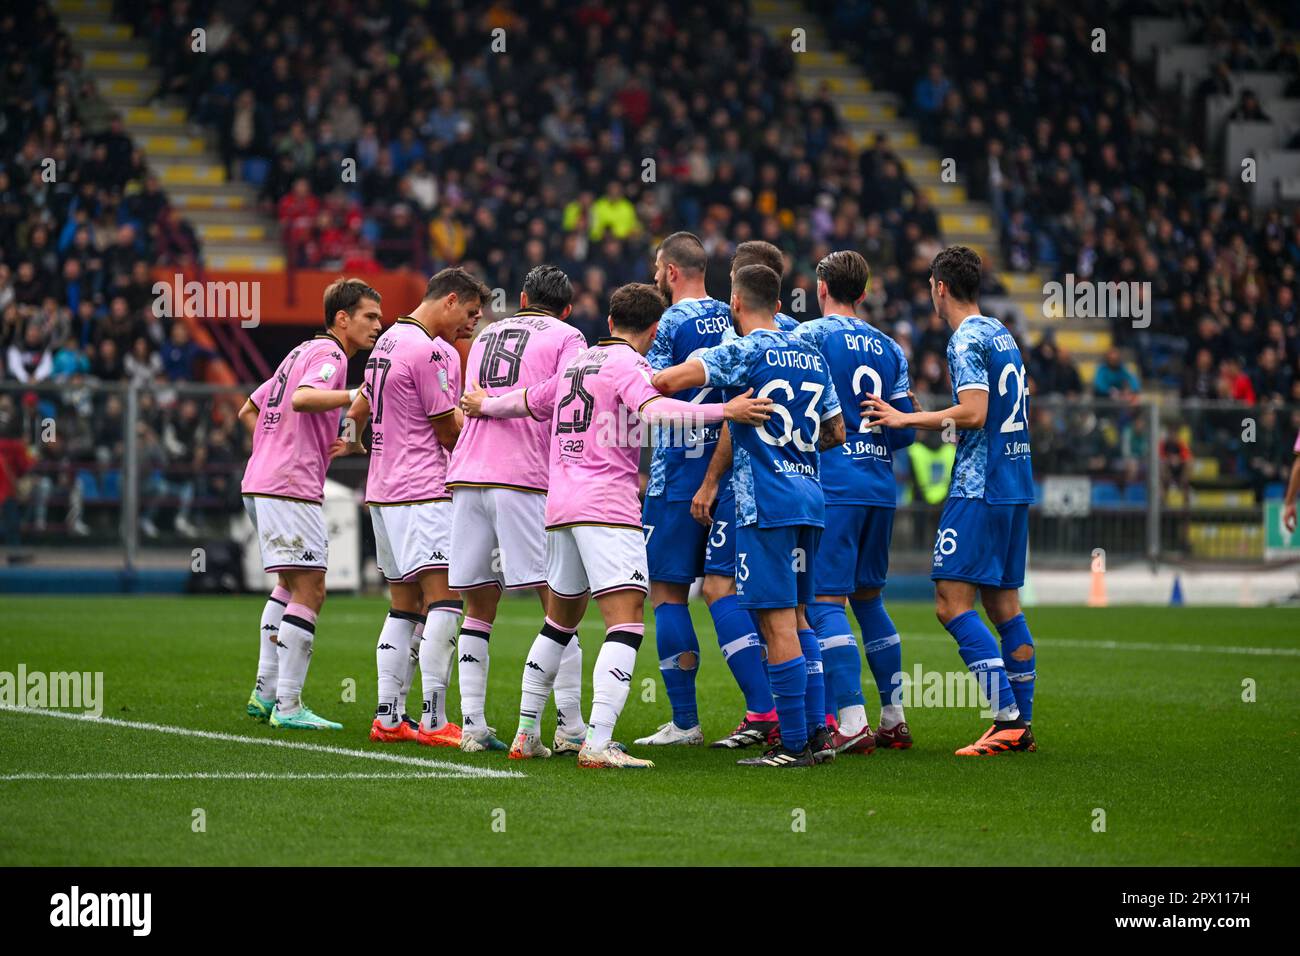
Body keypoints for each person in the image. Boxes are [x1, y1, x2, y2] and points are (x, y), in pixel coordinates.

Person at [460, 282, 772, 768]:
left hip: (559, 506)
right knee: (625, 623)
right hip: (606, 507)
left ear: (608, 322)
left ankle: (526, 733)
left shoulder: (575, 363)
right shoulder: (632, 365)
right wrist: (722, 410)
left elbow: (528, 400)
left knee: (558, 623)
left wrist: (485, 404)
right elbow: (656, 411)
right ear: (652, 330)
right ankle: (599, 743)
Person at [653, 264, 846, 767]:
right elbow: (837, 433)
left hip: (767, 503)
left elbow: (671, 379)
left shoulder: (746, 350)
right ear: (779, 304)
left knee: (773, 617)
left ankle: (793, 743)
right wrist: (795, 444)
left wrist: (657, 379)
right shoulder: (810, 353)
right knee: (802, 617)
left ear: (735, 304)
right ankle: (820, 734)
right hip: (811, 498)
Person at [864, 246, 1037, 756]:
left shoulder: (964, 339)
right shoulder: (1003, 333)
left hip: (979, 487)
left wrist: (906, 420)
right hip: (1014, 482)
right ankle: (1021, 723)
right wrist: (937, 413)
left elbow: (976, 413)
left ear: (939, 287)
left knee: (950, 603)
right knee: (1004, 604)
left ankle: (1006, 719)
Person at [339, 267, 487, 747]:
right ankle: (433, 718)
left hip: (383, 492)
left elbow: (360, 403)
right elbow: (447, 429)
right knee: (446, 598)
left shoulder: (386, 342)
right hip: (423, 490)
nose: (472, 324)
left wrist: (355, 437)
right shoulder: (432, 350)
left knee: (403, 605)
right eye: (469, 313)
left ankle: (388, 716)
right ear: (448, 301)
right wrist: (489, 435)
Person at [445, 264, 589, 753]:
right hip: (523, 476)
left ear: (523, 296)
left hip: (467, 472)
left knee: (478, 606)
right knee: (560, 601)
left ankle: (472, 725)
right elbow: (564, 398)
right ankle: (569, 726)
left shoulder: (484, 333)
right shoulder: (570, 336)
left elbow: (470, 400)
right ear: (566, 307)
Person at [238, 278, 381, 730]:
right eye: (370, 317)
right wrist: (355, 396)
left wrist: (275, 448)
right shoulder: (331, 356)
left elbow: (249, 409)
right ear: (343, 318)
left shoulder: (298, 352)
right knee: (311, 589)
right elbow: (302, 400)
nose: (377, 326)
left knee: (286, 585)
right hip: (287, 486)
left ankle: (265, 695)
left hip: (261, 481)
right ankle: (289, 705)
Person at [795, 250, 916, 755]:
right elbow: (905, 426)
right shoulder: (890, 347)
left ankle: (850, 720)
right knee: (869, 600)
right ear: (863, 293)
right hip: (879, 487)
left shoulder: (807, 338)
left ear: (821, 288)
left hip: (834, 487)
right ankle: (894, 717)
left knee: (824, 602)